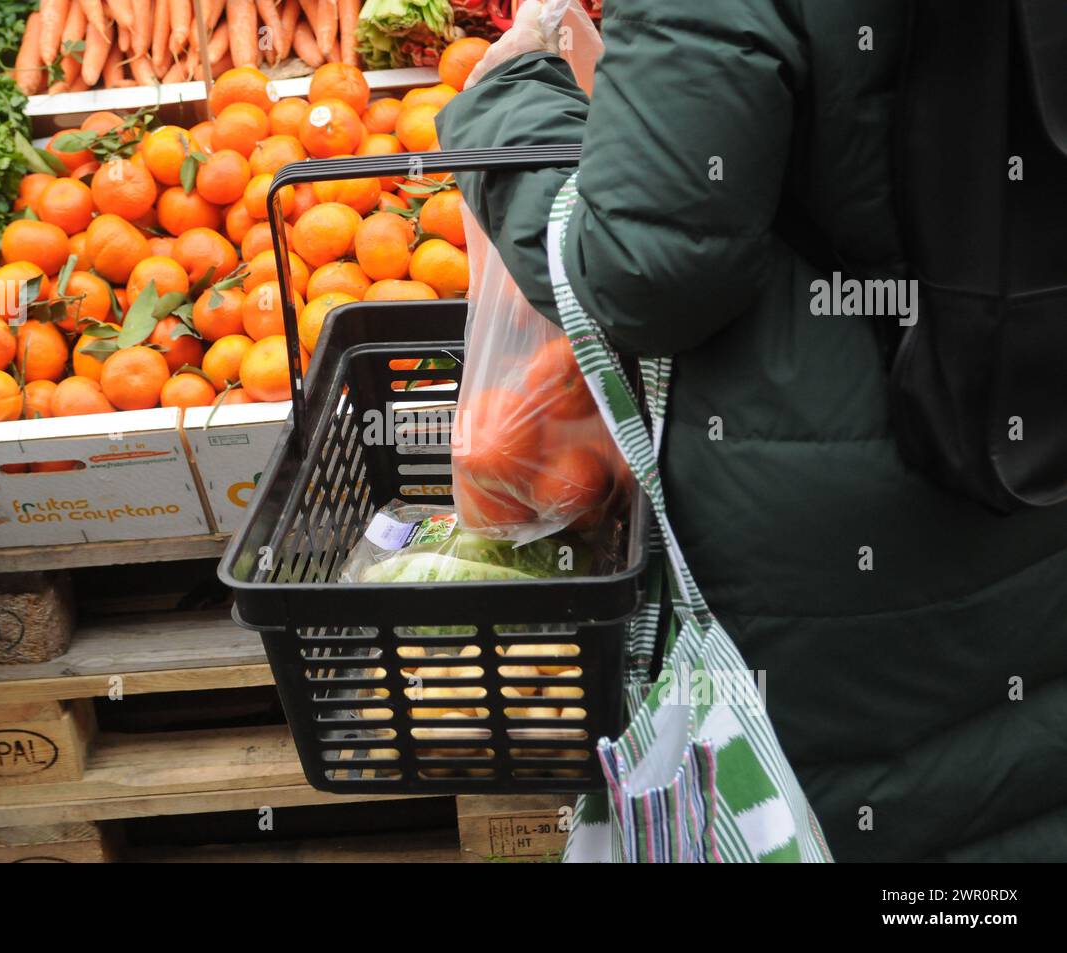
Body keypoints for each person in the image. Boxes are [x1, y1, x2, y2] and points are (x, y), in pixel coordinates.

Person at [437, 0, 1067, 861]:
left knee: (870, 812)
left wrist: (508, 106)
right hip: (1028, 428)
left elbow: (646, 271)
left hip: (826, 520)